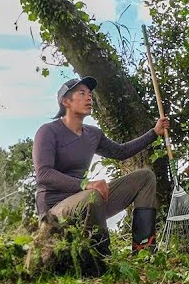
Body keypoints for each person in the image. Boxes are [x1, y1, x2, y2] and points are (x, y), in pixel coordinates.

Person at [32, 76, 170, 259]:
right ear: (66, 101)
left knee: (145, 177)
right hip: (54, 212)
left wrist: (154, 133)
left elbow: (121, 152)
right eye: (82, 94)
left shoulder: (93, 134)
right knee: (92, 193)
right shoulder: (48, 131)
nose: (89, 98)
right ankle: (102, 257)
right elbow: (43, 174)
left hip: (89, 202)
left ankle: (144, 252)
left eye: (90, 94)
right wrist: (85, 184)